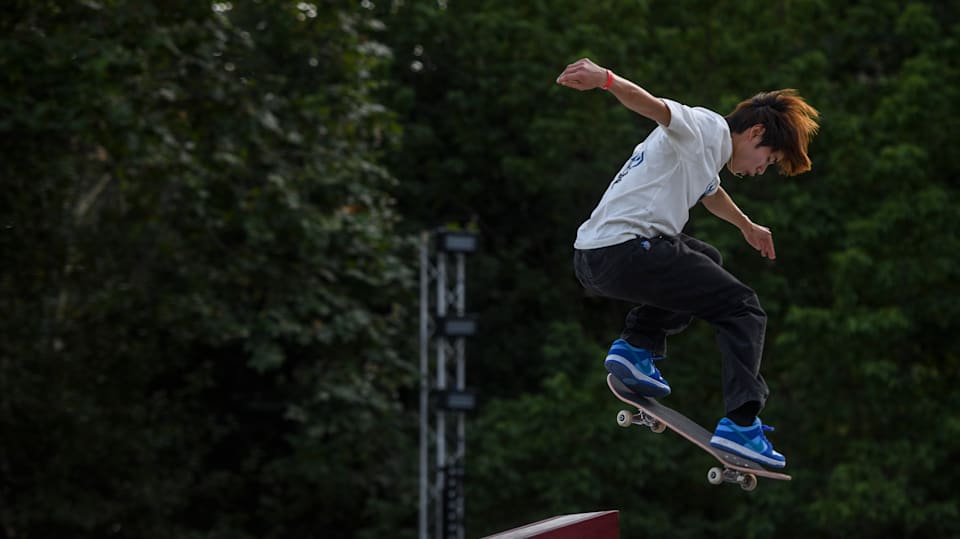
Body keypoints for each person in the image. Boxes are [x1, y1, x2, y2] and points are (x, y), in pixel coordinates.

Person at [558, 58, 819, 468]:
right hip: (627, 250)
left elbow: (711, 193)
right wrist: (606, 80)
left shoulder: (707, 154)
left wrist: (746, 225)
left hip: (595, 256)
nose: (758, 171)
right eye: (766, 161)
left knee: (705, 259)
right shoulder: (705, 127)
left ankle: (635, 348)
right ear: (755, 133)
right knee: (743, 307)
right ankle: (742, 423)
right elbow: (655, 108)